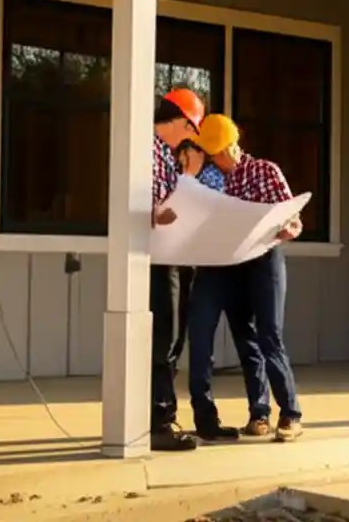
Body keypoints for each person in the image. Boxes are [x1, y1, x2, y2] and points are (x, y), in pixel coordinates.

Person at [189, 114, 305, 442]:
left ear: (231, 146)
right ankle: (259, 414)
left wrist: (287, 227)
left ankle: (291, 414)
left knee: (270, 334)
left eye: (219, 152)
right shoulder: (213, 179)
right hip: (233, 263)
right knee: (245, 336)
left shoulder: (265, 171)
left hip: (265, 260)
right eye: (213, 155)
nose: (218, 159)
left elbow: (292, 217)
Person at [149, 88, 207, 452]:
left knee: (174, 338)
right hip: (159, 256)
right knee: (163, 338)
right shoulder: (145, 148)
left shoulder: (167, 157)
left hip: (177, 254)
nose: (190, 137)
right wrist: (155, 213)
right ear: (182, 121)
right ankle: (157, 421)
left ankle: (164, 416)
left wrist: (189, 182)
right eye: (191, 129)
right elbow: (140, 200)